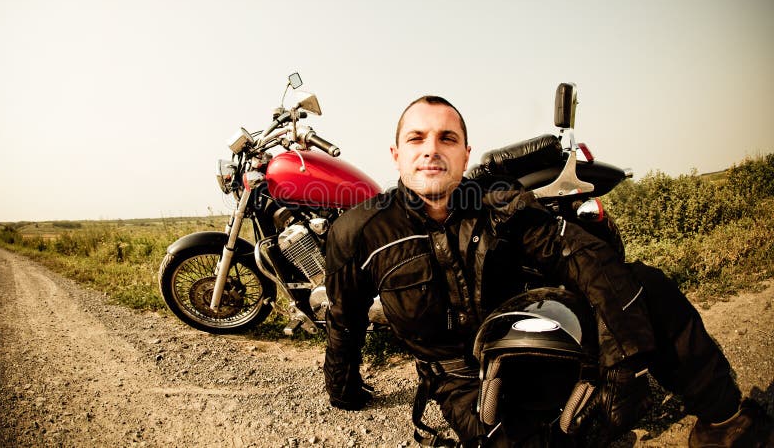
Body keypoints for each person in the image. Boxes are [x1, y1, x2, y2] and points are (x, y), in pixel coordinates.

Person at [323, 95, 773, 447]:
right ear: (395, 154)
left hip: (534, 341)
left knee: (645, 285)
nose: (432, 151)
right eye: (417, 138)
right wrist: (342, 390)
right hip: (463, 379)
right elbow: (344, 320)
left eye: (447, 138)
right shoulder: (358, 232)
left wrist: (626, 359)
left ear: (465, 154)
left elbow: (580, 254)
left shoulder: (497, 201)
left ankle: (726, 421)